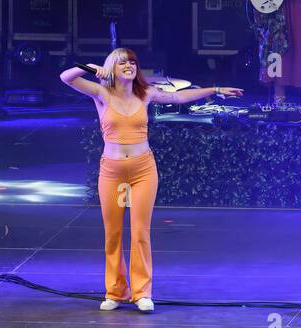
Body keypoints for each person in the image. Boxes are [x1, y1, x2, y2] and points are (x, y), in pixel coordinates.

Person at [61, 48, 243, 312]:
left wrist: (215, 88)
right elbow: (66, 77)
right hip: (111, 171)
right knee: (112, 233)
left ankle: (141, 292)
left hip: (142, 169)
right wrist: (90, 66)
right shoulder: (101, 93)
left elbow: (179, 97)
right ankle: (115, 291)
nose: (130, 66)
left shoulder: (144, 93)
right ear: (111, 67)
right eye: (123, 62)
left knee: (140, 232)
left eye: (132, 62)